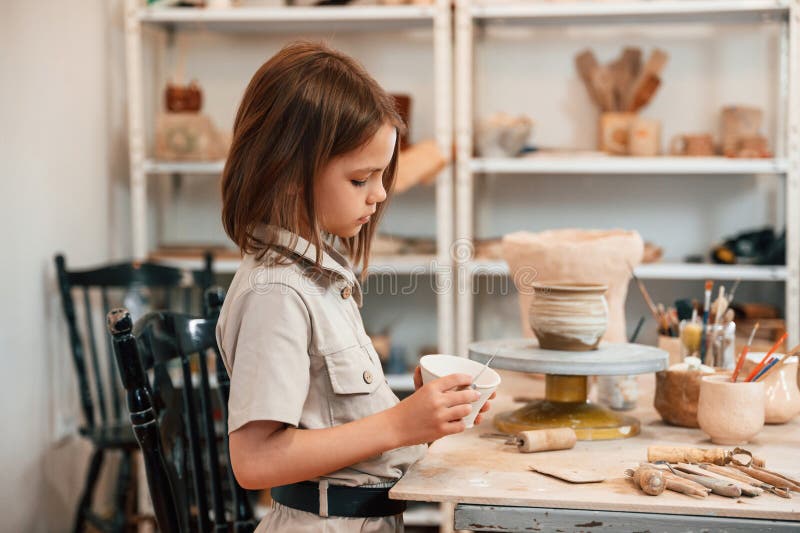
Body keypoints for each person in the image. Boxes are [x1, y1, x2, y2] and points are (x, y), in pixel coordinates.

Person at [216, 41, 494, 532]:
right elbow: (255, 460)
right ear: (286, 174)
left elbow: (338, 423)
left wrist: (429, 416)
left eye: (382, 175)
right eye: (361, 178)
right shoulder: (276, 294)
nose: (381, 192)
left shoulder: (320, 279)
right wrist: (399, 422)